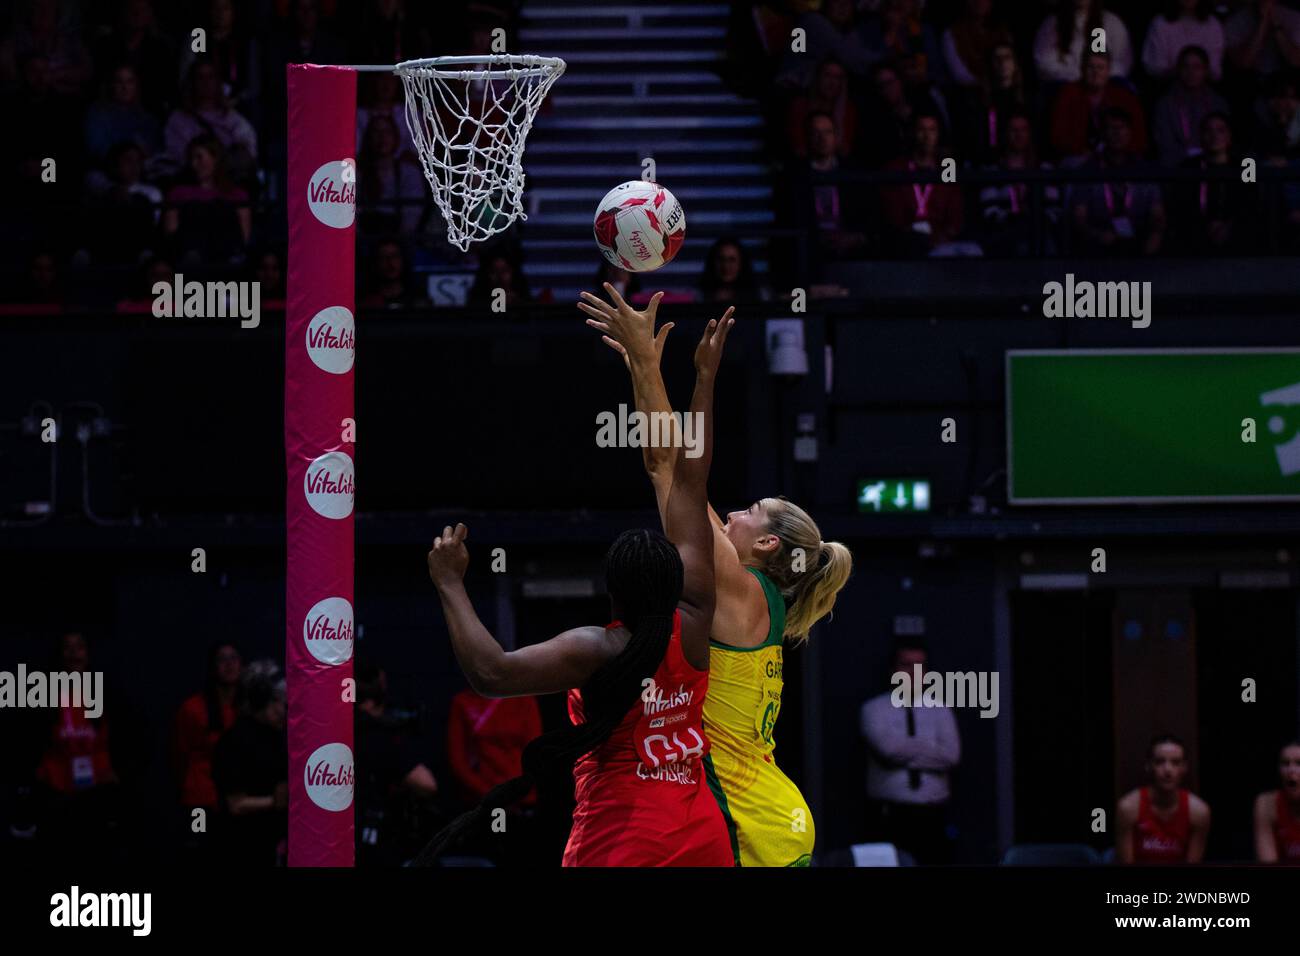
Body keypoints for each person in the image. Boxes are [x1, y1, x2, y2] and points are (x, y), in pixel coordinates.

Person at [417, 309, 737, 867]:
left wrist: (449, 583)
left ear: (613, 594)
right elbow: (692, 475)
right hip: (700, 835)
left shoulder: (597, 648)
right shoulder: (696, 618)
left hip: (623, 839)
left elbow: (490, 673)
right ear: (675, 578)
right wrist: (705, 378)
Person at [579, 283, 854, 867]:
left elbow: (669, 471)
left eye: (746, 513)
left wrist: (650, 366)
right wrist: (644, 370)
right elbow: (669, 468)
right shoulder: (760, 599)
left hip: (745, 823)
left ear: (767, 543)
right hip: (773, 817)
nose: (731, 514)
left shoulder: (739, 586)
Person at [860, 638, 960, 863]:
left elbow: (951, 755)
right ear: (893, 669)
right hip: (889, 816)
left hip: (933, 816)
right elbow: (888, 750)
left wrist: (905, 749)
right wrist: (930, 749)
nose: (913, 673)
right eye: (906, 665)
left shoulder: (941, 710)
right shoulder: (874, 709)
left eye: (920, 666)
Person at [354, 660, 439, 866]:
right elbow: (427, 784)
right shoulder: (381, 736)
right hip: (375, 835)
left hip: (340, 833)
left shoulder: (335, 728)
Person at [211, 659, 288, 866]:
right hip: (243, 847)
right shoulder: (234, 742)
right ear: (261, 700)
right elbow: (235, 804)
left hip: (274, 844)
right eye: (278, 701)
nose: (284, 709)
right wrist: (275, 801)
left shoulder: (280, 737)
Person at [1071, 107, 1165, 256]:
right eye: (1111, 128)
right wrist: (1096, 235)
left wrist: (1156, 235)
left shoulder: (1144, 169)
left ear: (1130, 132)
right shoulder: (1088, 169)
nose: (1116, 133)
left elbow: (1157, 213)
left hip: (1138, 240)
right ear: (1102, 134)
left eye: (1121, 128)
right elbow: (1079, 217)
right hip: (1099, 244)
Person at [880, 112, 969, 257]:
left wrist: (943, 235)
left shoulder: (947, 167)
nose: (927, 136)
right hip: (907, 244)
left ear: (939, 135)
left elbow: (956, 215)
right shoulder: (897, 168)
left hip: (942, 243)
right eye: (921, 130)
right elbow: (893, 219)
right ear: (912, 133)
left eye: (932, 130)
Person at [1116, 735, 1211, 864]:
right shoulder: (1128, 808)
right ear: (1149, 766)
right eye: (1160, 762)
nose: (1168, 770)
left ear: (1184, 768)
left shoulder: (1199, 812)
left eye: (1176, 762)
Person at [979, 110, 1062, 256]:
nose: (1019, 135)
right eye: (1014, 130)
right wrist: (1013, 220)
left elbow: (1054, 210)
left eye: (1023, 130)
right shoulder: (992, 171)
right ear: (1005, 134)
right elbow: (989, 211)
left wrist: (1034, 222)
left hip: (1039, 230)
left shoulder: (1044, 169)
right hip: (1004, 233)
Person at [1171, 112, 1256, 253]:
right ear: (1200, 137)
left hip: (1237, 239)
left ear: (1229, 137)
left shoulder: (1246, 165)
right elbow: (1182, 206)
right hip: (1197, 239)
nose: (1214, 135)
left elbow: (1250, 203)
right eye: (1208, 130)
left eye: (1220, 130)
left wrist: (1227, 227)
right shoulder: (1188, 167)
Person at [162, 133, 251, 267]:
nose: (194, 164)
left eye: (199, 157)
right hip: (189, 259)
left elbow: (243, 237)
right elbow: (171, 234)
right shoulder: (178, 193)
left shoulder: (236, 195)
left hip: (226, 260)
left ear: (215, 158)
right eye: (191, 158)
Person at [171, 642, 241, 813]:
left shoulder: (250, 709)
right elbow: (179, 755)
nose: (229, 664)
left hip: (240, 801)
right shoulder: (192, 708)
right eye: (222, 659)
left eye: (233, 658)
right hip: (200, 800)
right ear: (212, 667)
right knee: (199, 837)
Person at [1049, 50, 1147, 162]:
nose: (1095, 72)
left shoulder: (1124, 97)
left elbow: (1139, 137)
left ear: (1108, 71)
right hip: (1079, 157)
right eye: (1091, 67)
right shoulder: (1068, 94)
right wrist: (1082, 150)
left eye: (1100, 68)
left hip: (1121, 158)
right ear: (1082, 70)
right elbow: (1057, 136)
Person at [1151, 46, 1229, 166]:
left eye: (1197, 67)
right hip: (1178, 168)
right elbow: (1164, 145)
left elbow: (1225, 141)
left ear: (1206, 71)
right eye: (1185, 66)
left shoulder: (1218, 103)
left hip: (1213, 164)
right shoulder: (1164, 105)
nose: (1191, 72)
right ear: (1178, 70)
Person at [1034, 0, 1133, 85]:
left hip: (1104, 90)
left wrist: (1098, 76)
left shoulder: (1111, 23)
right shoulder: (1052, 24)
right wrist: (1080, 77)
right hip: (1064, 88)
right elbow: (1044, 64)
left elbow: (1122, 64)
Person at [1142, 0, 1225, 81]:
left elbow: (1214, 69)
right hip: (1167, 86)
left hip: (1205, 87)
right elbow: (1155, 67)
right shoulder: (1160, 24)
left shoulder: (1212, 25)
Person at [1253, 740, 1300, 863]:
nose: (1291, 770)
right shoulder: (1267, 804)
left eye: (1299, 763)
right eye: (1285, 763)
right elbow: (1269, 866)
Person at [699, 238, 763, 303]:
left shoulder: (759, 297)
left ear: (741, 263)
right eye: (721, 259)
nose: (726, 266)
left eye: (732, 260)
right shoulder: (698, 297)